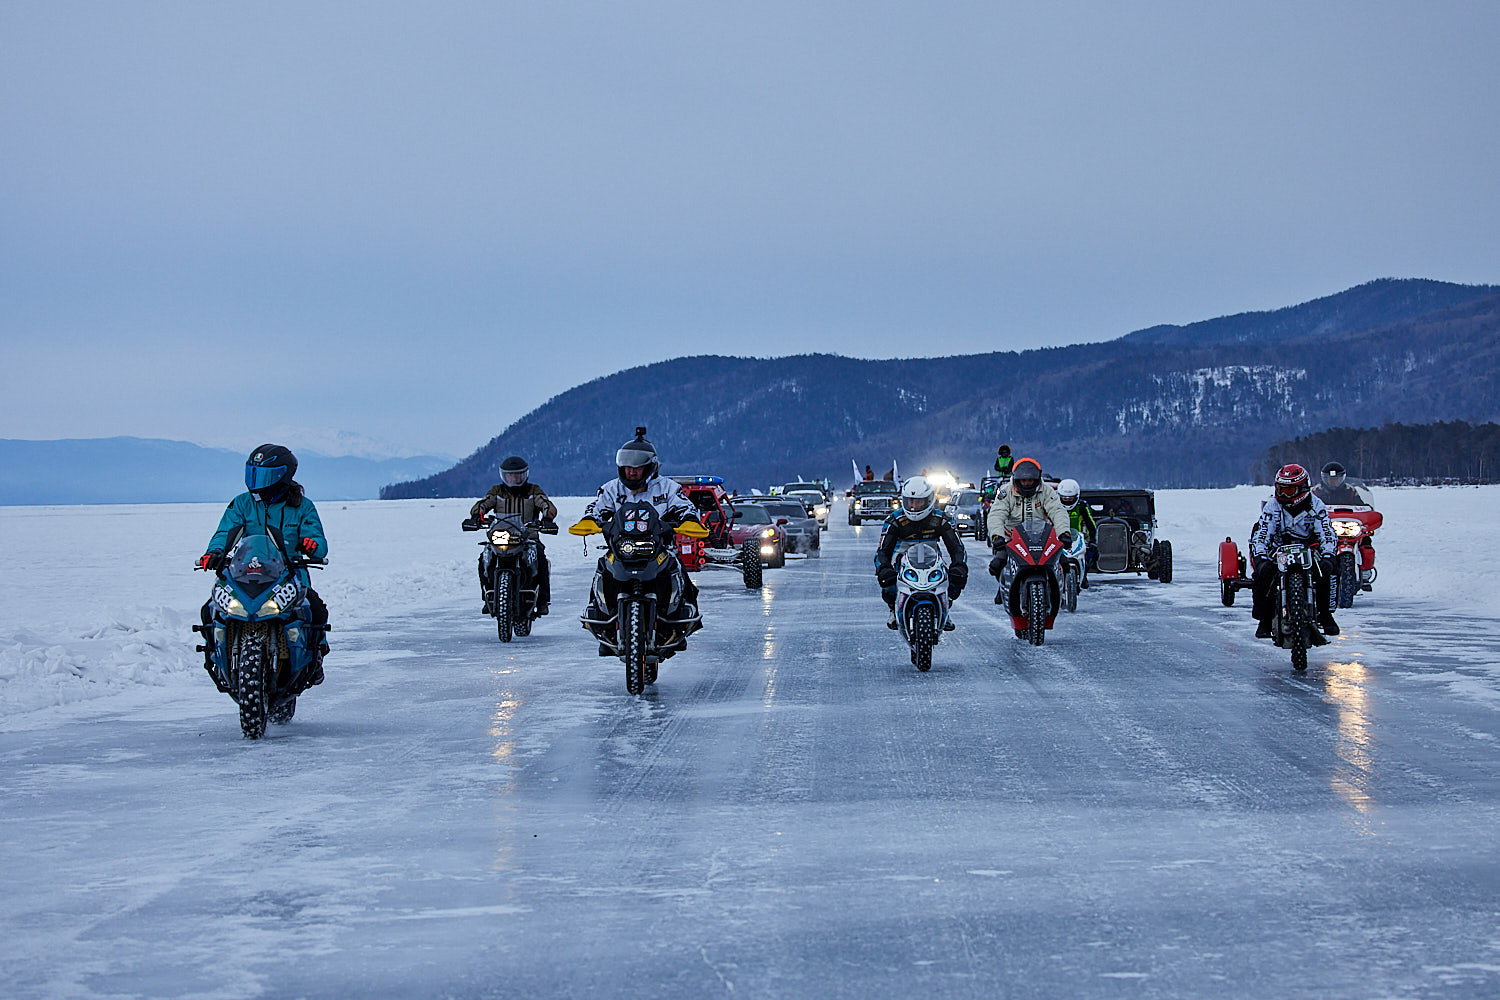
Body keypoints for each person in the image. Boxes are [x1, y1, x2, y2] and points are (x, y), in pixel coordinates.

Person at [197, 444, 328, 687]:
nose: (257, 482)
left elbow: (319, 541)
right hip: (246, 573)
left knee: (316, 609)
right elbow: (224, 533)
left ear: (282, 476)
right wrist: (214, 553)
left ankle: (315, 657)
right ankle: (216, 654)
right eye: (253, 473)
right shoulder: (241, 503)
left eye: (264, 475)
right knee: (209, 609)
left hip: (288, 574)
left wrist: (311, 545)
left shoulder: (302, 506)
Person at [577, 427, 704, 618]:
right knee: (602, 569)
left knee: (679, 573)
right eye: (627, 468)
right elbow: (597, 507)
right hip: (621, 549)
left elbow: (684, 505)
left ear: (650, 467)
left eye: (636, 468)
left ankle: (685, 617)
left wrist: (689, 520)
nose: (631, 472)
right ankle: (598, 616)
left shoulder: (668, 488)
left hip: (660, 549)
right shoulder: (612, 488)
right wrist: (589, 520)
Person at [1250, 464, 1339, 638]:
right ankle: (1265, 620)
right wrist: (1261, 559)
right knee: (1263, 575)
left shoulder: (1316, 505)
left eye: (1288, 491)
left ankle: (1326, 614)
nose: (1282, 494)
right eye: (1280, 489)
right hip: (1279, 548)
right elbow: (1261, 534)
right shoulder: (1272, 506)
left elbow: (1327, 533)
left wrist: (1328, 557)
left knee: (1327, 571)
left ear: (1302, 489)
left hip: (1309, 549)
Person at [465, 455, 558, 615]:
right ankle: (487, 597)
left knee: (541, 559)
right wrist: (476, 516)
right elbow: (483, 503)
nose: (514, 478)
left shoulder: (533, 490)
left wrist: (547, 518)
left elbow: (546, 504)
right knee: (484, 559)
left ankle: (543, 601)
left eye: (517, 475)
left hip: (528, 538)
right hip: (500, 537)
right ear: (504, 476)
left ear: (524, 475)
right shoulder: (497, 491)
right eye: (510, 475)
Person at [874, 476, 968, 629]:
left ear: (929, 500)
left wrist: (958, 565)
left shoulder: (941, 519)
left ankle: (946, 605)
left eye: (919, 501)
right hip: (901, 558)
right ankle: (893, 608)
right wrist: (884, 567)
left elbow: (957, 547)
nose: (914, 505)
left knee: (958, 575)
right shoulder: (894, 520)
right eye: (910, 501)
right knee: (887, 578)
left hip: (932, 559)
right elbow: (882, 551)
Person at [985, 457, 1071, 602]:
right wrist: (996, 536)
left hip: (1041, 536)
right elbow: (996, 514)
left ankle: (1058, 592)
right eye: (1023, 480)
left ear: (1037, 479)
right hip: (1011, 538)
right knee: (997, 564)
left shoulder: (1047, 491)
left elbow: (1058, 511)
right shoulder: (1006, 492)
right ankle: (1003, 586)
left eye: (1030, 480)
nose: (1026, 483)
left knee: (1064, 563)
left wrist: (1064, 532)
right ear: (1016, 479)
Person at [1056, 478, 1097, 588]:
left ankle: (1084, 575)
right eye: (1064, 498)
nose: (1068, 500)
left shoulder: (1082, 506)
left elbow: (1090, 523)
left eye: (1071, 498)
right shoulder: (1054, 505)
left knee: (1092, 552)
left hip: (1076, 535)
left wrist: (1093, 540)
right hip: (1057, 536)